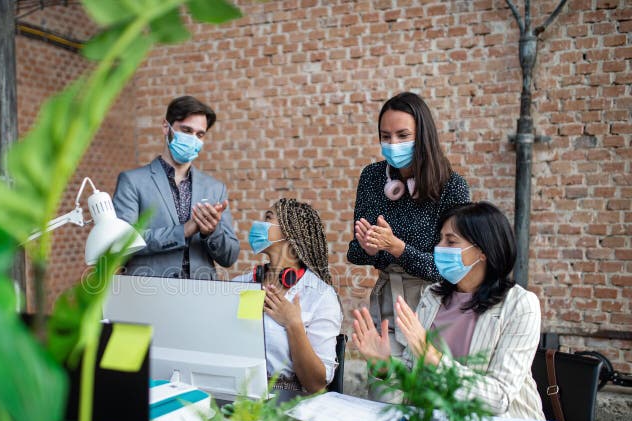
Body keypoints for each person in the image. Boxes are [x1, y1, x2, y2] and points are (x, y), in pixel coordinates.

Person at [351, 202, 545, 420]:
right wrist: (384, 366)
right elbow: (413, 374)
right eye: (440, 240)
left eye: (450, 241)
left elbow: (499, 398)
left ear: (483, 251)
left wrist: (431, 355)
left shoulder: (520, 305)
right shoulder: (433, 296)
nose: (439, 248)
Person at [347, 92, 470, 355]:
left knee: (428, 392)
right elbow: (354, 251)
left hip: (434, 307)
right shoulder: (372, 177)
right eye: (385, 136)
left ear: (422, 135)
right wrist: (370, 250)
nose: (393, 143)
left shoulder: (452, 187)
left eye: (403, 135)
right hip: (387, 304)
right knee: (384, 390)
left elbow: (450, 268)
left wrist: (397, 248)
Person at [112, 96, 239, 279]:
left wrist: (211, 231)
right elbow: (121, 243)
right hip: (149, 294)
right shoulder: (132, 181)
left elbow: (230, 257)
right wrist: (184, 231)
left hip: (200, 296)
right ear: (166, 127)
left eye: (200, 134)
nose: (193, 139)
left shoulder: (215, 189)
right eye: (186, 130)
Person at [233, 199, 342, 394]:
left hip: (287, 400)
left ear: (290, 233)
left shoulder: (320, 296)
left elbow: (317, 385)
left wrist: (293, 324)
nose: (259, 225)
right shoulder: (241, 285)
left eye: (268, 218)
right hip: (237, 392)